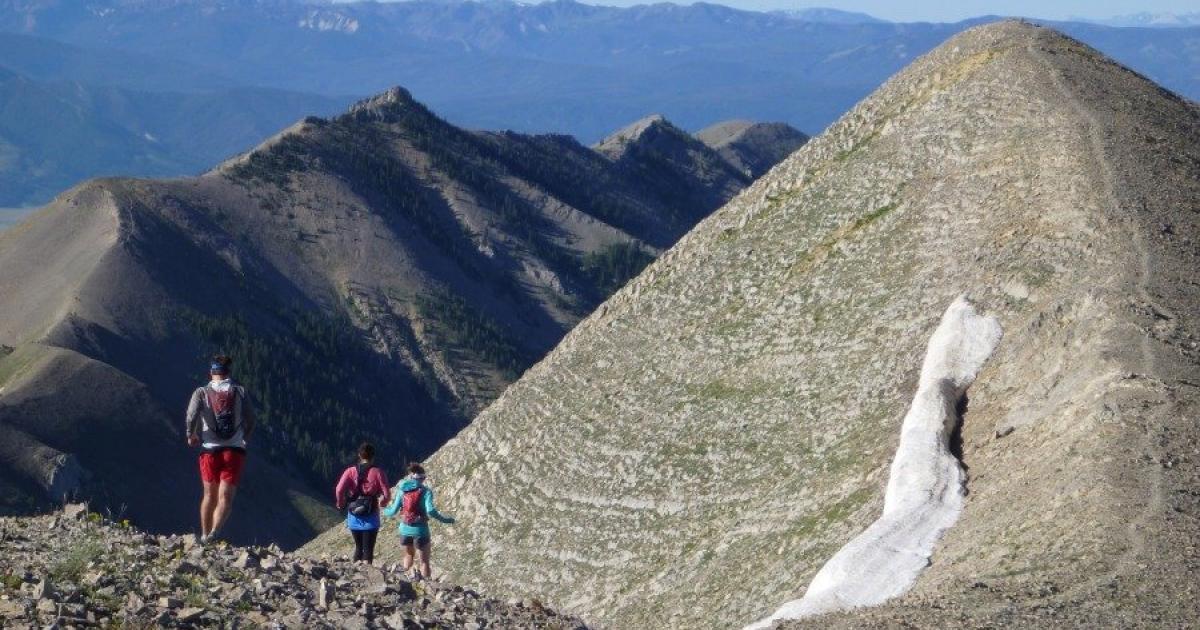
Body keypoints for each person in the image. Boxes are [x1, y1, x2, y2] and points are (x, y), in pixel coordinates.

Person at [185, 354, 255, 544]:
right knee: (225, 497)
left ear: (211, 372)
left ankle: (204, 535)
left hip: (209, 450)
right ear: (228, 372)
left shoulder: (201, 392)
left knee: (208, 495)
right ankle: (215, 532)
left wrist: (191, 434)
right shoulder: (239, 391)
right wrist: (244, 439)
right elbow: (251, 419)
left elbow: (191, 415)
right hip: (233, 451)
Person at [383, 463, 455, 580]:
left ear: (410, 477)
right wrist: (446, 520)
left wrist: (383, 510)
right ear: (422, 478)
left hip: (404, 529)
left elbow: (392, 511)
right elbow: (430, 510)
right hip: (421, 531)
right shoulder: (426, 492)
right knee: (424, 562)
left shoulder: (402, 490)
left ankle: (403, 580)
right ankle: (428, 586)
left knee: (408, 555)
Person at [334, 442, 391, 565]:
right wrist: (383, 503)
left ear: (359, 455)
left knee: (358, 548)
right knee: (368, 549)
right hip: (371, 514)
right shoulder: (378, 472)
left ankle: (355, 575)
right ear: (373, 456)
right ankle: (367, 577)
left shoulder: (350, 471)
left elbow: (339, 489)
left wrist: (340, 502)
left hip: (354, 514)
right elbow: (386, 494)